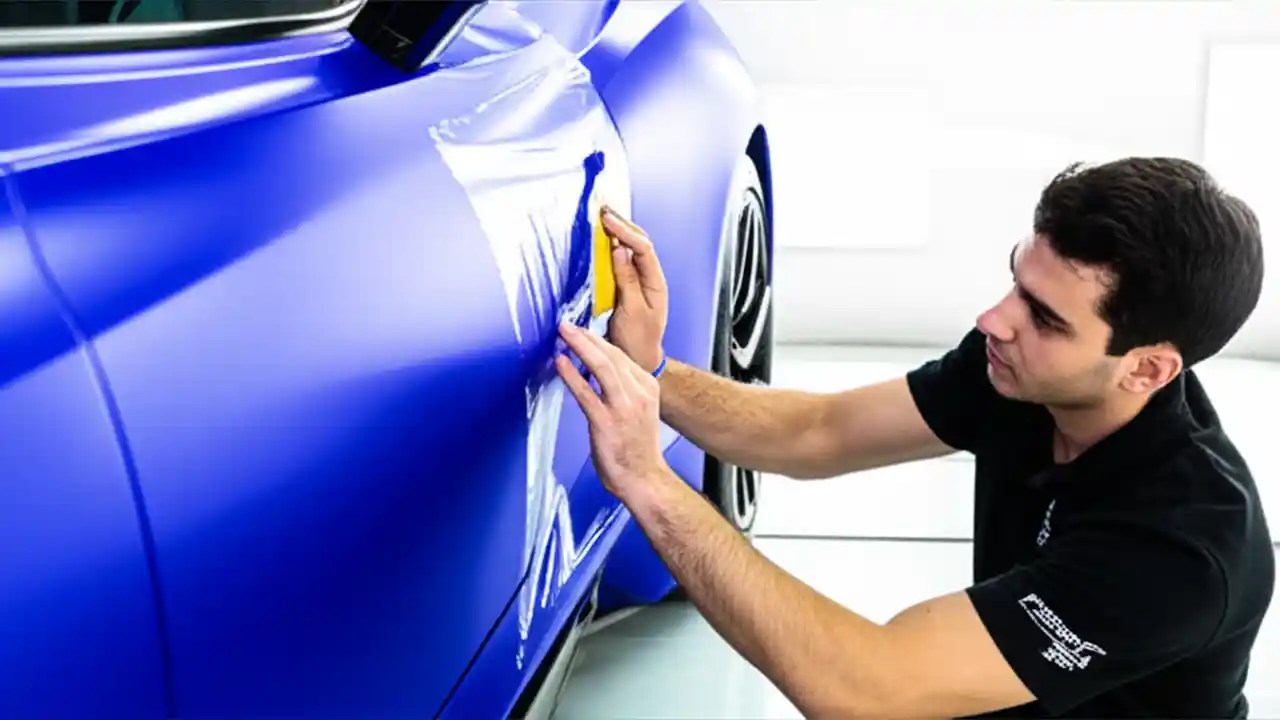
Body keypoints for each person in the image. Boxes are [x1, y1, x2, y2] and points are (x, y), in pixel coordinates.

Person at [553, 157, 1274, 718]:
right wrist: (650, 368)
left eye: (1047, 317)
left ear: (1148, 368)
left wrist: (649, 482)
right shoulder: (1025, 370)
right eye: (1016, 281)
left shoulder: (1180, 550)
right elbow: (819, 431)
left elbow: (864, 689)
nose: (997, 319)